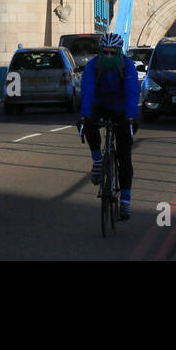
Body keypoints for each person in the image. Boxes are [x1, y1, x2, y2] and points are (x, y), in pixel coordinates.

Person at [77, 32, 140, 221]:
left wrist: (131, 118)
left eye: (113, 53)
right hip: (100, 105)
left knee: (124, 157)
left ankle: (126, 201)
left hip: (121, 109)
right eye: (106, 52)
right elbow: (87, 92)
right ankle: (97, 160)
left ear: (120, 53)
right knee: (88, 124)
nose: (109, 56)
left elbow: (132, 94)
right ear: (100, 52)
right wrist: (84, 116)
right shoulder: (93, 66)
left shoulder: (128, 67)